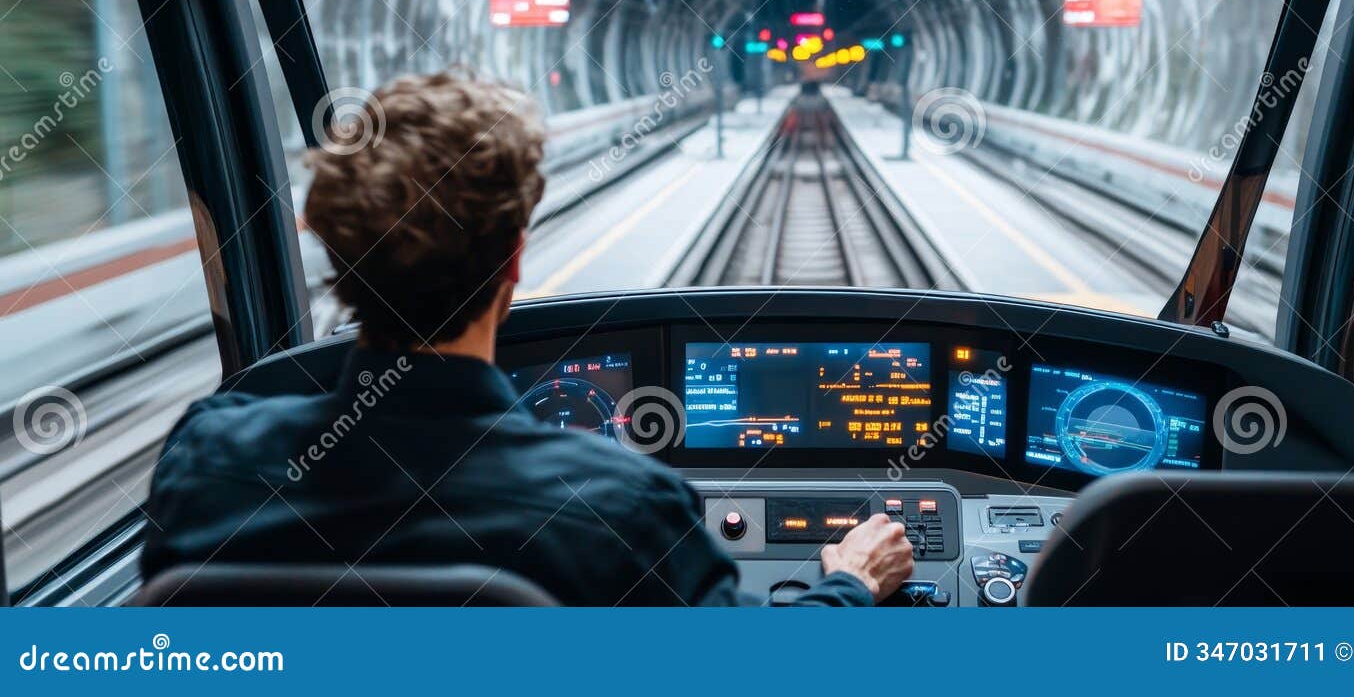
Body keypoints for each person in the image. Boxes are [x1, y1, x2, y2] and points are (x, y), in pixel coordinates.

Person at [141, 71, 913, 606]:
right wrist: (847, 579)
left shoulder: (206, 465)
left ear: (339, 257)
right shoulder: (619, 511)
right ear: (512, 262)